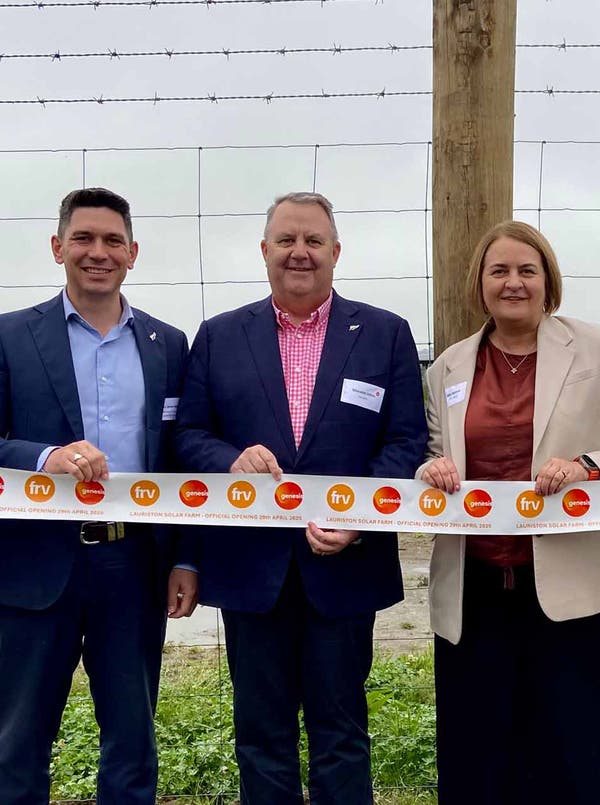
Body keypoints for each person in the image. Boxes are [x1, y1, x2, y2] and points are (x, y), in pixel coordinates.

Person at [174, 191, 427, 804]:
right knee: (261, 734)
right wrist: (230, 461)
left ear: (336, 252)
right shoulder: (219, 336)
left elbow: (405, 442)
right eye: (286, 240)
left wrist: (359, 517)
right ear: (264, 251)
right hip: (250, 568)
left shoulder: (385, 335)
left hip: (343, 564)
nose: (300, 253)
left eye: (313, 241)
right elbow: (187, 436)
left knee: (341, 730)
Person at [0, 187, 197, 804]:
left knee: (133, 739)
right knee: (21, 740)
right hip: (36, 559)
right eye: (83, 238)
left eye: (113, 240)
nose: (98, 252)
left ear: (133, 253)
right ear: (58, 247)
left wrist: (185, 557)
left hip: (133, 564)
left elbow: (180, 457)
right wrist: (42, 458)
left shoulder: (168, 345)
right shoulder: (8, 335)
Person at [418, 220, 600, 804]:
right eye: (499, 270)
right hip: (474, 587)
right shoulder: (447, 366)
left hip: (570, 585)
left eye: (528, 270)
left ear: (549, 281)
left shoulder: (595, 348)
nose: (513, 282)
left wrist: (586, 467)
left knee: (570, 749)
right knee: (477, 749)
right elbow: (428, 455)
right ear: (480, 284)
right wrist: (430, 472)